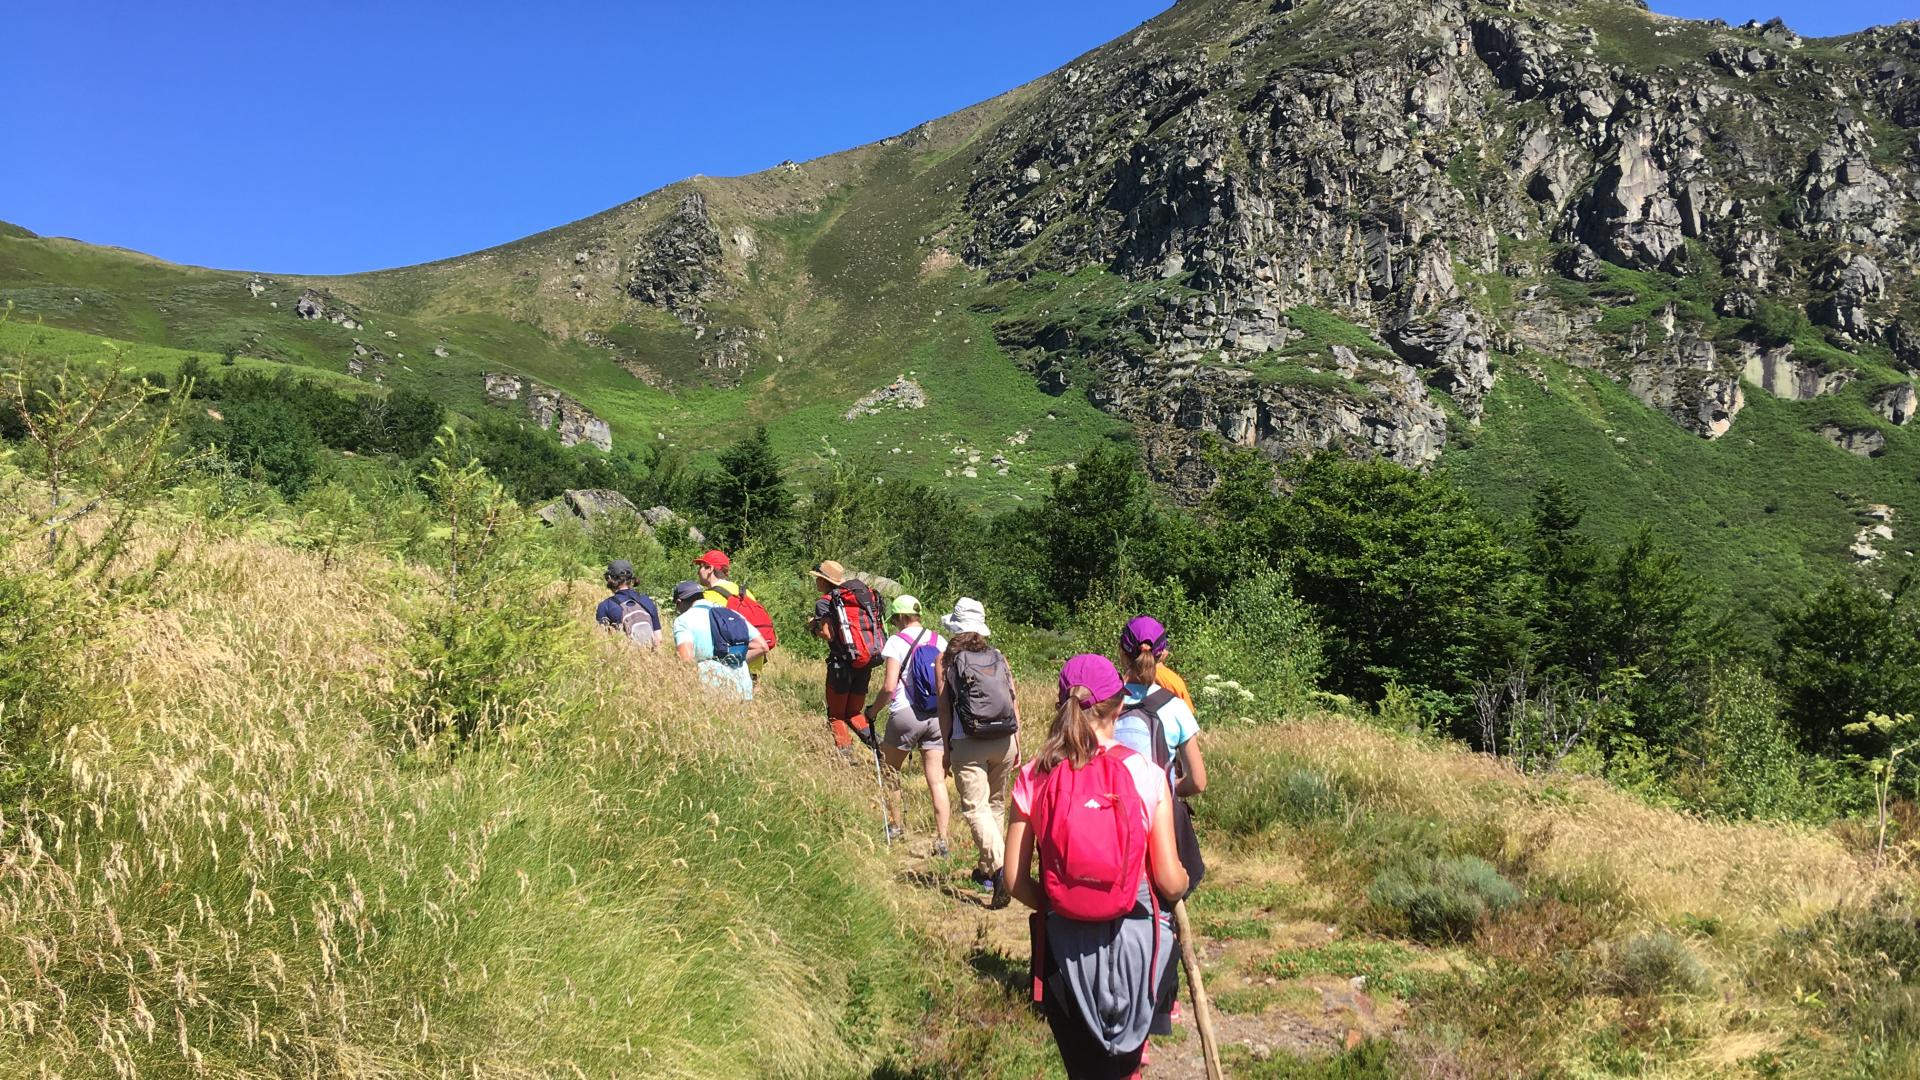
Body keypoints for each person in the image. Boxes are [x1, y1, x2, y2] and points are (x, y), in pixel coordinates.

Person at [1004, 654, 1187, 1080]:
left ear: (1060, 704)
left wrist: (1056, 902)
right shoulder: (1146, 773)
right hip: (1138, 944)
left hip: (1063, 950)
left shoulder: (1034, 775)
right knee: (1124, 1067)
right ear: (1120, 705)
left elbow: (1012, 879)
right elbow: (1168, 879)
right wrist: (1183, 881)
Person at [1111, 615, 1209, 1041]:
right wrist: (1169, 789)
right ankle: (1164, 1003)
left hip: (1112, 818)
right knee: (1166, 905)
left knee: (1120, 905)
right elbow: (1199, 781)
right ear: (1163, 653)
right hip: (1162, 820)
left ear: (1122, 652)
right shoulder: (1173, 707)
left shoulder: (1104, 701)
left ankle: (1117, 995)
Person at [937, 597, 1020, 906]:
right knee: (995, 806)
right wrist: (1018, 740)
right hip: (1004, 740)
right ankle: (986, 870)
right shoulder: (998, 656)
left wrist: (946, 747)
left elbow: (944, 710)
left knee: (976, 808)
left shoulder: (945, 660)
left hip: (968, 740)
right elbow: (1013, 701)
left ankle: (1000, 871)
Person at [863, 595, 951, 851]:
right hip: (936, 715)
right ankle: (943, 838)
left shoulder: (895, 641)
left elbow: (889, 687)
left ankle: (896, 825)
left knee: (892, 772)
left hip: (906, 714)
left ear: (900, 617)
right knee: (936, 780)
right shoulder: (939, 640)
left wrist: (873, 711)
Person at [808, 560, 883, 753]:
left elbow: (828, 634)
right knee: (853, 713)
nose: (816, 582)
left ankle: (847, 758)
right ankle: (882, 748)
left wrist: (813, 626)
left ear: (825, 582)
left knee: (836, 716)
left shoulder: (825, 602)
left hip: (841, 665)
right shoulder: (858, 598)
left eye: (817, 579)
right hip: (863, 661)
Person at [669, 580, 767, 701]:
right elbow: (762, 646)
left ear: (679, 602)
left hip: (710, 691)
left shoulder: (683, 620)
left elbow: (686, 659)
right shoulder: (732, 613)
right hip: (743, 688)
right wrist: (731, 661)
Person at [694, 549, 774, 680]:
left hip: (736, 662)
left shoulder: (708, 597)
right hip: (755, 657)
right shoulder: (744, 592)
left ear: (710, 569)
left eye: (701, 566)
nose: (698, 571)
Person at [594, 560, 660, 647]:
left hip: (623, 657)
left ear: (610, 578)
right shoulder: (646, 600)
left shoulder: (605, 606)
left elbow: (603, 643)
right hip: (650, 658)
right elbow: (658, 638)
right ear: (631, 579)